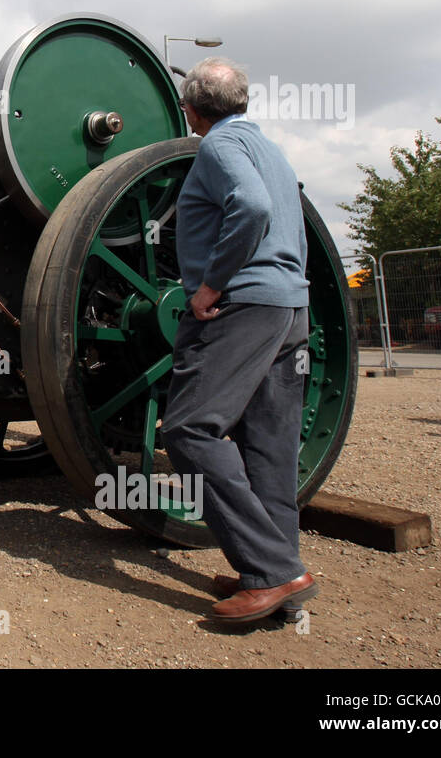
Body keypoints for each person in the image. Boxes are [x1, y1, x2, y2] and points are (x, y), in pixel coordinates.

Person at [159, 57, 318, 624]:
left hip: (242, 306)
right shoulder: (271, 149)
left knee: (187, 431)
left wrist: (210, 286)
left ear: (192, 109)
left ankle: (273, 571)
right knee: (269, 448)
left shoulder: (217, 147)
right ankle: (273, 569)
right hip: (287, 307)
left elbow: (250, 207)